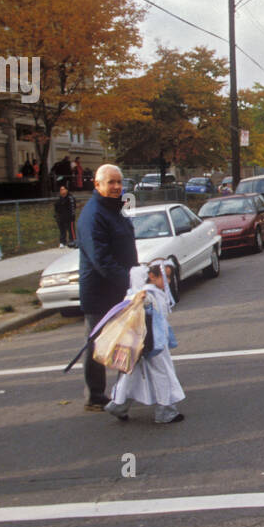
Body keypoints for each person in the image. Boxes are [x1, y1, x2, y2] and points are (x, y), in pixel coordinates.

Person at [77, 164, 138, 412]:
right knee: (97, 345)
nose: (116, 187)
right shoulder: (93, 215)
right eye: (110, 182)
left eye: (119, 182)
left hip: (120, 288)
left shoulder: (115, 209)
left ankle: (124, 390)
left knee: (127, 341)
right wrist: (130, 280)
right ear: (97, 184)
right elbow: (101, 260)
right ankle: (95, 395)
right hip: (100, 292)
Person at [104, 261, 185, 424]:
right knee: (162, 373)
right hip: (153, 343)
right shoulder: (148, 294)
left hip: (138, 342)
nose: (168, 282)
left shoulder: (138, 292)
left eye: (169, 277)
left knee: (131, 374)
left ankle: (118, 405)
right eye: (165, 277)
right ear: (151, 276)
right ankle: (165, 410)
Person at [54, 182, 77, 247]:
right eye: (61, 190)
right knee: (62, 230)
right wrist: (57, 216)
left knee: (71, 230)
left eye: (63, 189)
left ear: (67, 190)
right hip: (61, 217)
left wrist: (71, 216)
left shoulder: (70, 198)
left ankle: (73, 241)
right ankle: (62, 242)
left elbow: (73, 207)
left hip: (69, 217)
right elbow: (56, 208)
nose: (62, 191)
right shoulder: (59, 200)